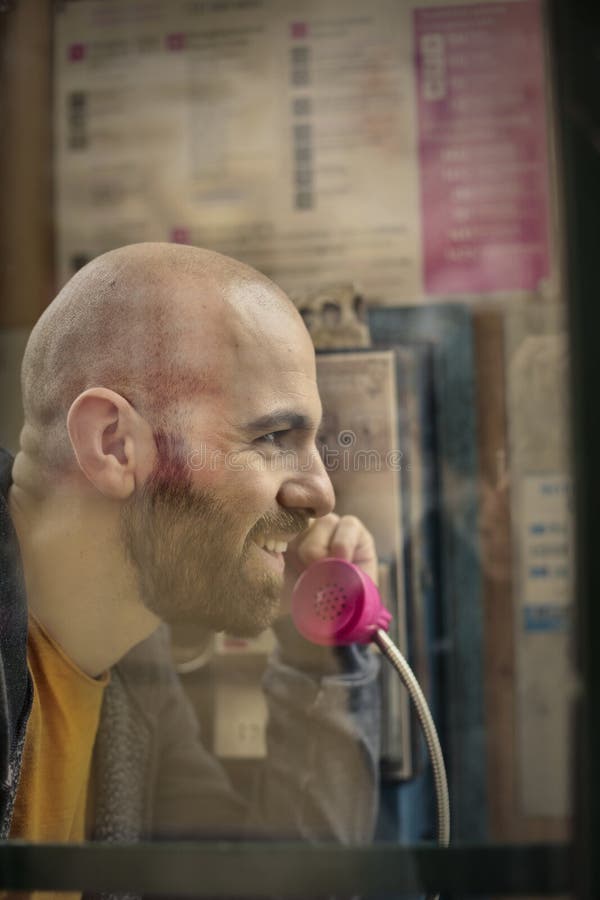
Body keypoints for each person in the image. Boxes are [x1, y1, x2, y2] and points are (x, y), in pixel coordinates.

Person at [0, 243, 381, 861]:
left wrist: (317, 659)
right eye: (272, 436)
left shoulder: (130, 669)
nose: (321, 493)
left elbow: (273, 888)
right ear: (114, 444)